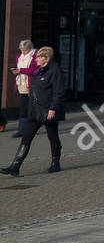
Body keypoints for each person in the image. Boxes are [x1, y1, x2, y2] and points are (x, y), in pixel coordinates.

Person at [2, 46, 64, 176]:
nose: (36, 59)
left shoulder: (54, 70)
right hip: (35, 110)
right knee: (26, 138)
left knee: (53, 137)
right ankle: (15, 166)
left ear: (46, 59)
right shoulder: (37, 71)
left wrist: (52, 109)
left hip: (48, 111)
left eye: (39, 57)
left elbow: (58, 92)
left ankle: (55, 163)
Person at [9, 39, 37, 138]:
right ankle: (21, 130)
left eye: (25, 50)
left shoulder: (35, 56)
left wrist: (21, 70)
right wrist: (16, 71)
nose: (23, 52)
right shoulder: (20, 57)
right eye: (21, 50)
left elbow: (36, 70)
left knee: (33, 108)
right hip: (22, 85)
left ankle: (30, 129)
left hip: (32, 85)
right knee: (23, 107)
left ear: (30, 48)